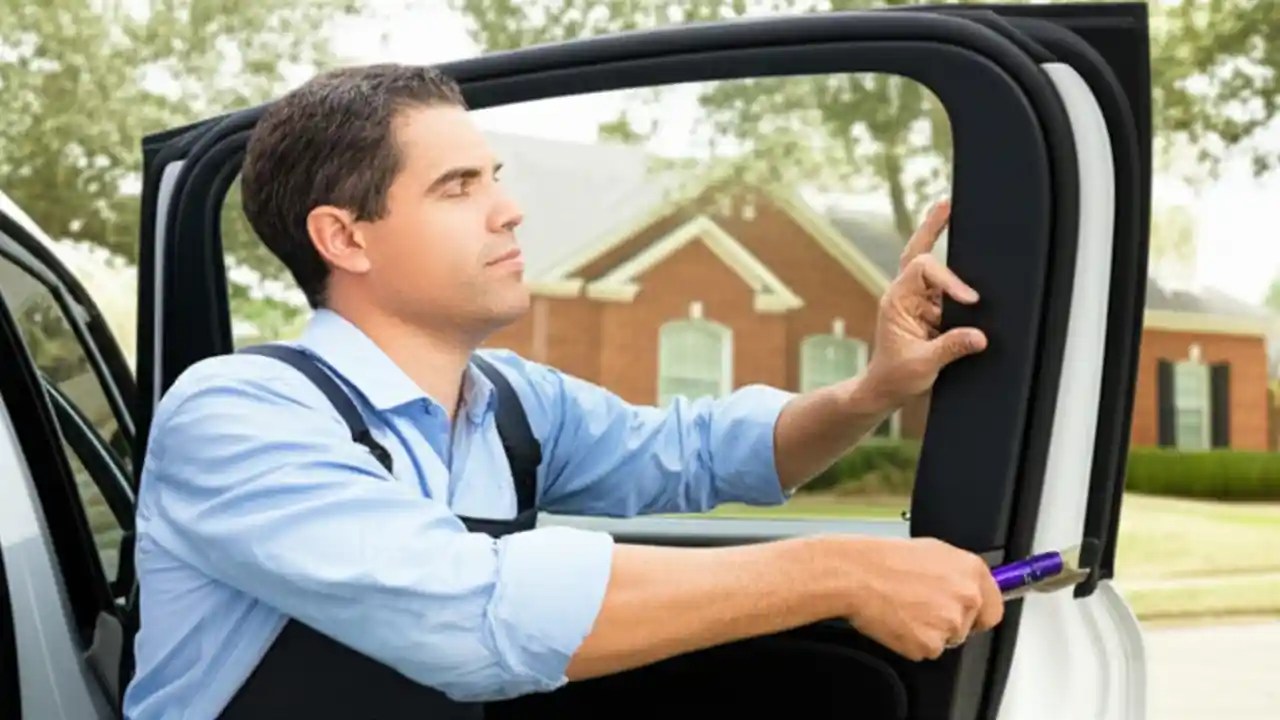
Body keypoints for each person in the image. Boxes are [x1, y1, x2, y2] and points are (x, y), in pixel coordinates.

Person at [121, 63, 1002, 719]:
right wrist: (834, 568)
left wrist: (871, 391)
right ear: (344, 238)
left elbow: (699, 455)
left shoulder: (510, 401)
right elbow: (474, 615)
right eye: (458, 187)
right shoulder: (236, 414)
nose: (509, 210)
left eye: (494, 178)